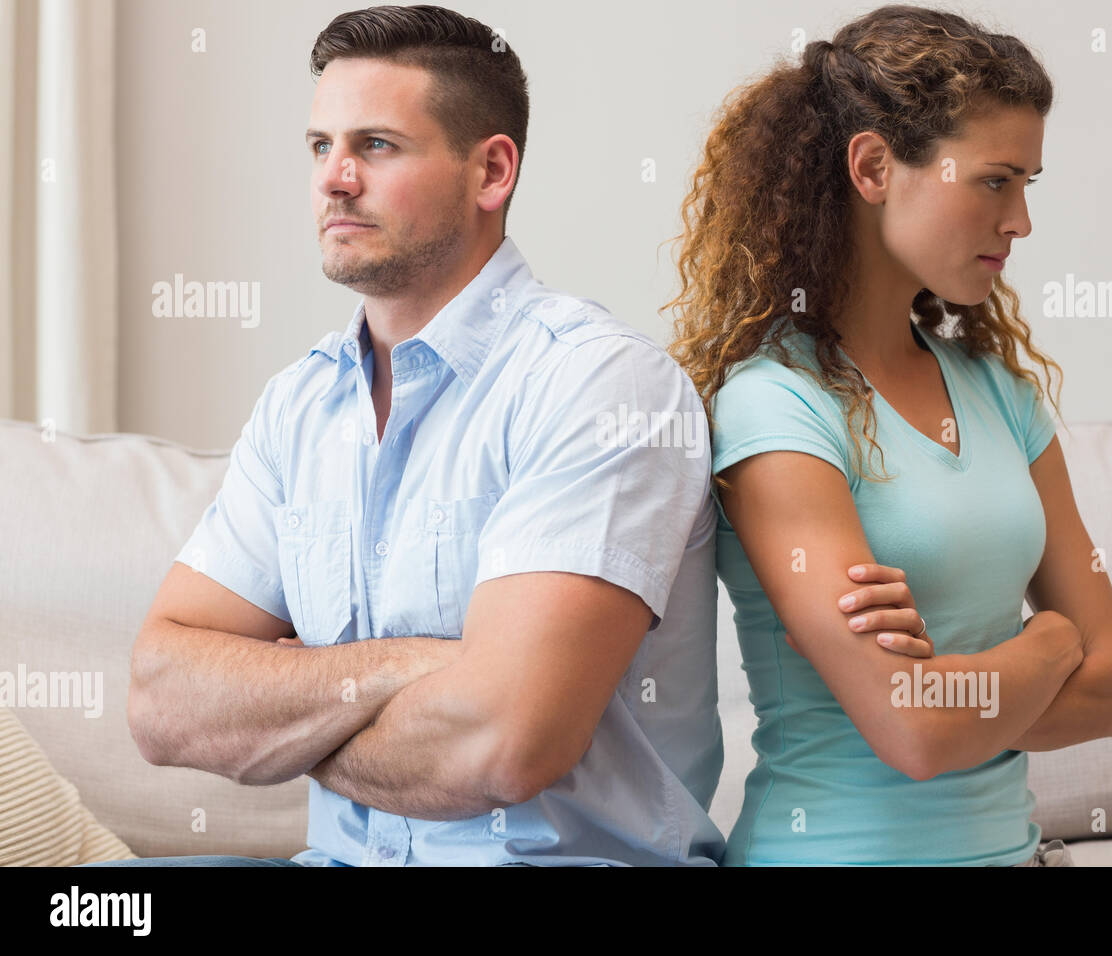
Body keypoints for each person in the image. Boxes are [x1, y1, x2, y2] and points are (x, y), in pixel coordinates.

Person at [89, 4, 724, 867]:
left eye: (376, 146)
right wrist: (416, 668)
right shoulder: (299, 406)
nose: (334, 179)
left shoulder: (600, 385)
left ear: (491, 169)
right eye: (320, 146)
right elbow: (161, 701)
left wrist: (278, 723)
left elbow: (504, 743)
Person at [664, 4, 1112, 866]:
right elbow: (915, 731)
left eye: (1029, 183)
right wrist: (1049, 642)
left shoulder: (1003, 396)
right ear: (875, 166)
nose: (1022, 220)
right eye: (996, 180)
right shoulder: (775, 407)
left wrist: (962, 694)